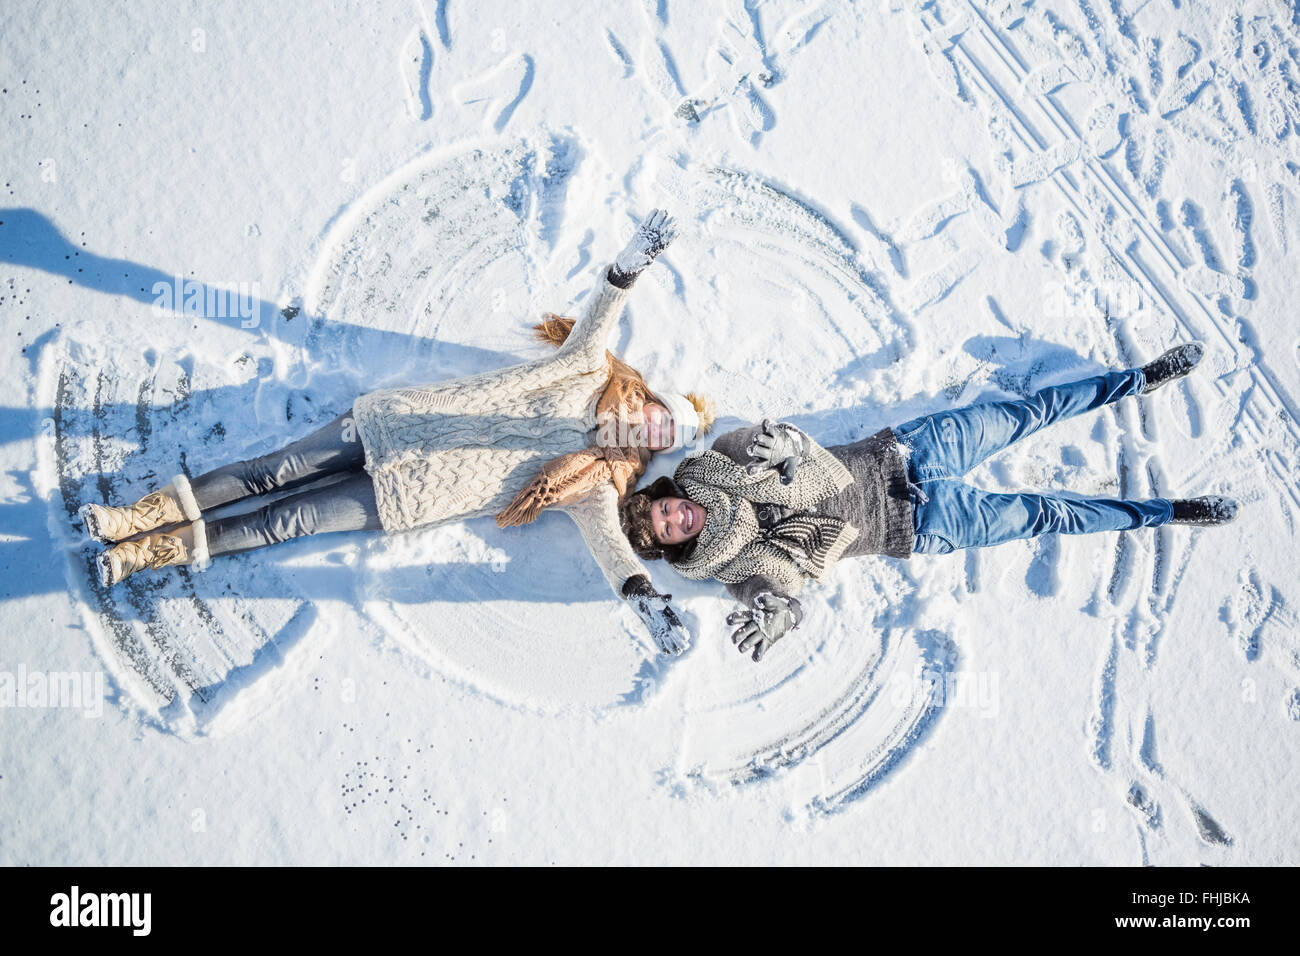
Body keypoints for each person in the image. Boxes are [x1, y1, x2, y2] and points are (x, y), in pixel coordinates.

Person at [78, 210, 715, 654]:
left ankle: (144, 552)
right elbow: (603, 311)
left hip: (402, 500)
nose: (655, 427)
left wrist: (643, 599)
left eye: (663, 437)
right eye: (662, 414)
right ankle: (130, 519)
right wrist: (635, 260)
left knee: (282, 523)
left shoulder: (599, 486)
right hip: (393, 423)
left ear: (654, 450)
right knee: (267, 473)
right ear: (652, 396)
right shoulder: (586, 368)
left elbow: (612, 549)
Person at [619, 344, 1239, 661]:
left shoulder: (719, 461)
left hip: (908, 453)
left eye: (663, 510)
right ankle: (1167, 512)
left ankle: (1139, 379)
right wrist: (782, 613)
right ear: (679, 548)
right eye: (668, 532)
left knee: (1029, 414)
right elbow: (776, 590)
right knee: (1047, 514)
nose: (674, 519)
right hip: (923, 524)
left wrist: (783, 444)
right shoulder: (734, 571)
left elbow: (780, 446)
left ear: (670, 495)